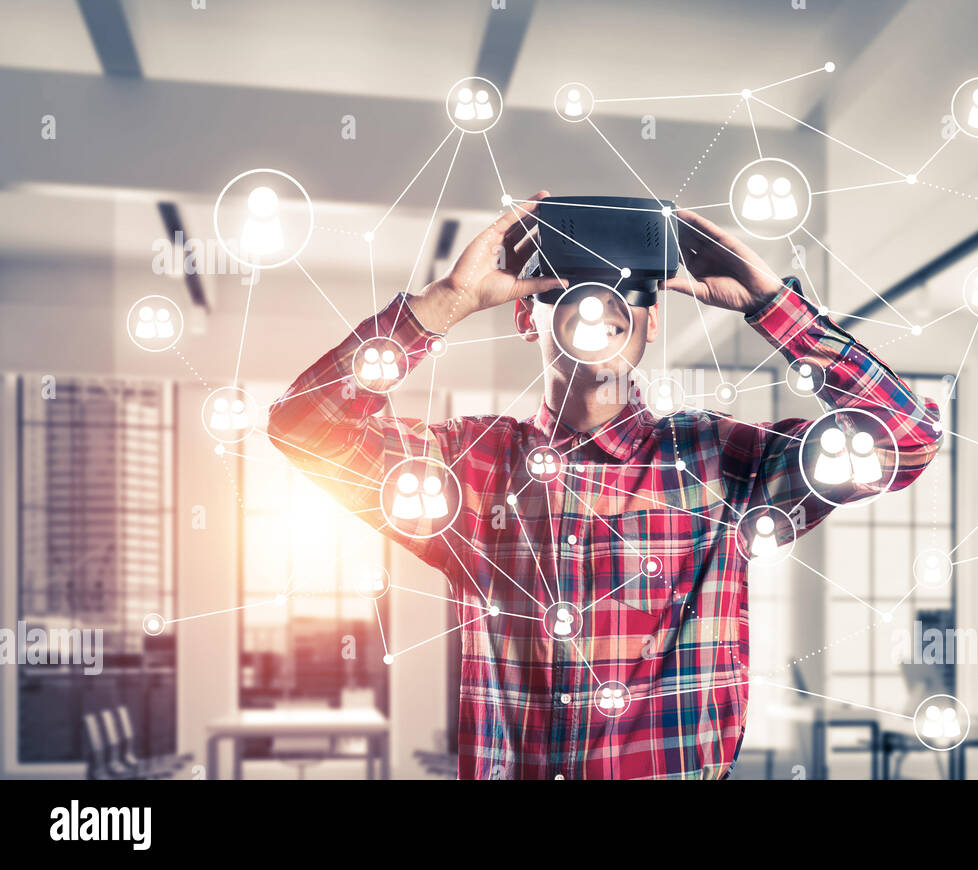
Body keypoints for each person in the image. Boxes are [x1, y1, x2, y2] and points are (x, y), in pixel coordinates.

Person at [269, 190, 942, 780]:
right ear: (528, 316)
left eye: (626, 296)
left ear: (650, 321)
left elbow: (909, 439)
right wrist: (443, 305)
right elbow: (303, 426)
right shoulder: (473, 467)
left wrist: (775, 308)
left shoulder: (719, 463)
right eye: (569, 293)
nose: (600, 311)